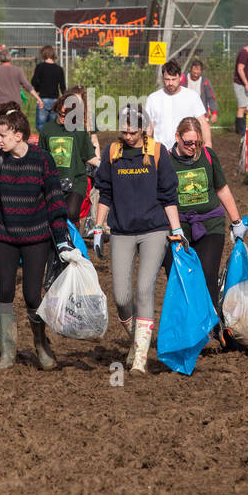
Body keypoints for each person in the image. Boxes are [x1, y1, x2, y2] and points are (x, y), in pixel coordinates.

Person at [0, 109, 73, 371]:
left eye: (3, 135)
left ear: (18, 135)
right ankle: (7, 353)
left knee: (31, 295)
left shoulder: (42, 160)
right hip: (5, 236)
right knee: (4, 291)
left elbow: (54, 201)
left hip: (36, 237)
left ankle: (41, 345)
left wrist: (62, 241)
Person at [93, 105, 185, 375]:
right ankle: (137, 339)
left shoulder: (158, 153)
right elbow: (105, 193)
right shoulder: (112, 152)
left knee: (144, 290)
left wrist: (176, 230)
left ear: (143, 129)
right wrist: (98, 227)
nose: (128, 136)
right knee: (121, 297)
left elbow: (168, 196)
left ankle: (140, 360)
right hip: (121, 231)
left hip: (154, 230)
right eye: (124, 131)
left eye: (133, 131)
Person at [164, 117, 245, 349]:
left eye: (196, 143)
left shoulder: (208, 156)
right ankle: (188, 329)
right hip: (179, 227)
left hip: (210, 224)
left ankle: (210, 331)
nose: (192, 147)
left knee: (208, 274)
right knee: (180, 277)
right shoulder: (167, 162)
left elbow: (222, 188)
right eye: (188, 142)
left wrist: (236, 220)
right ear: (177, 137)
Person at [37, 90, 99, 226]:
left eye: (68, 115)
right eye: (61, 114)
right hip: (54, 180)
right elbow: (41, 156)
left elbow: (89, 156)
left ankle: (72, 242)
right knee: (54, 215)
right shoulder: (47, 129)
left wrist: (104, 165)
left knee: (71, 213)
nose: (63, 117)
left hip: (76, 180)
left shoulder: (79, 129)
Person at [145, 60, 211, 151]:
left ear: (180, 78)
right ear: (162, 78)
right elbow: (148, 127)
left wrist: (208, 144)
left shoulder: (192, 96)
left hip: (187, 150)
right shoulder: (153, 99)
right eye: (167, 79)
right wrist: (144, 149)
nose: (170, 83)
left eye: (173, 79)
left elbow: (202, 122)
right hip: (160, 151)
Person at [0, 50, 43, 121]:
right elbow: (27, 86)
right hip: (15, 104)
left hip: (1, 105)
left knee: (1, 125)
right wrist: (38, 99)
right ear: (10, 58)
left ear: (0, 59)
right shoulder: (18, 70)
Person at [31, 46, 67, 131]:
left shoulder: (40, 67)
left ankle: (43, 141)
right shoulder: (59, 69)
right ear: (53, 54)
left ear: (43, 54)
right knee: (53, 126)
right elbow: (62, 87)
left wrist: (38, 88)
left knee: (40, 126)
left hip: (42, 99)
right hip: (55, 101)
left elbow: (34, 82)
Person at [184, 58, 219, 124]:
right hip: (184, 110)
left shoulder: (205, 82)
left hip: (200, 111)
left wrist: (214, 113)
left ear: (201, 72)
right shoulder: (183, 79)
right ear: (190, 70)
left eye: (198, 73)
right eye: (194, 72)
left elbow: (211, 98)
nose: (195, 75)